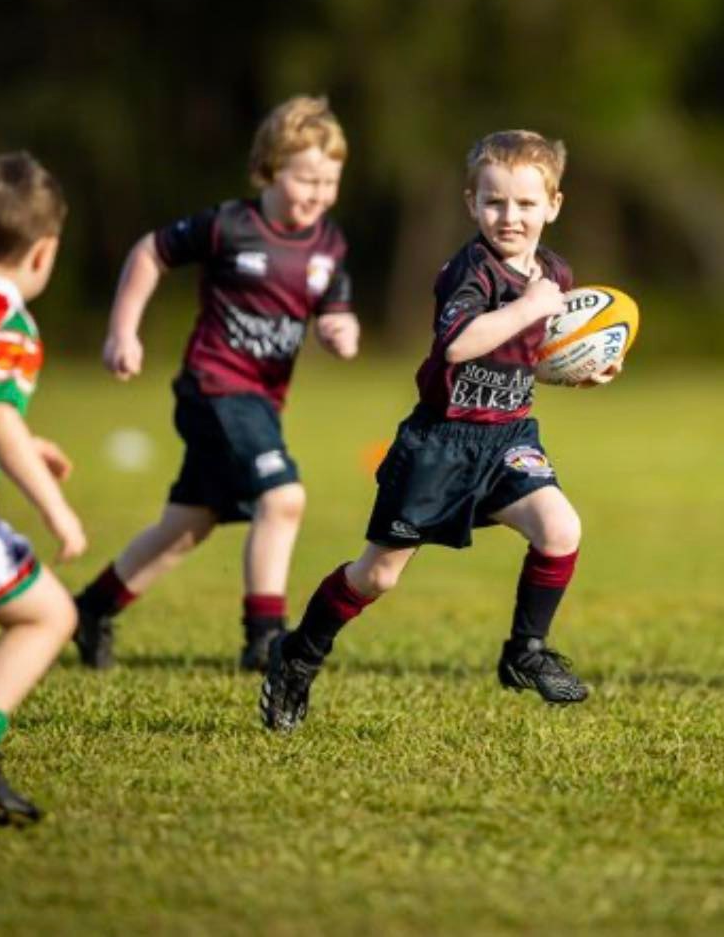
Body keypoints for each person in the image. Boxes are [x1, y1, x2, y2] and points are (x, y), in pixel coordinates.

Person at [260, 129, 621, 733]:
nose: (510, 217)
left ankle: (524, 652)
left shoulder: (554, 273)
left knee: (560, 528)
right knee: (376, 576)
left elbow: (531, 350)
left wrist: (581, 370)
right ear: (471, 204)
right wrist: (531, 308)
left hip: (508, 439)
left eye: (526, 204)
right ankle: (298, 654)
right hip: (441, 445)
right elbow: (459, 346)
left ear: (553, 206)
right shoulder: (469, 270)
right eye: (495, 202)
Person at [72, 95, 359, 673]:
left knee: (187, 525)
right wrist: (123, 331)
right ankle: (264, 638)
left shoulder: (328, 244)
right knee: (283, 498)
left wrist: (340, 331)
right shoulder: (231, 225)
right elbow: (150, 252)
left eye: (329, 182)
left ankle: (91, 609)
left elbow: (337, 309)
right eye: (306, 179)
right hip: (214, 388)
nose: (318, 194)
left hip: (261, 403)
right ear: (270, 168)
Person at [0, 152, 86, 824]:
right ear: (43, 254)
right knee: (49, 614)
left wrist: (23, 438)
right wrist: (57, 510)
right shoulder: (8, 322)